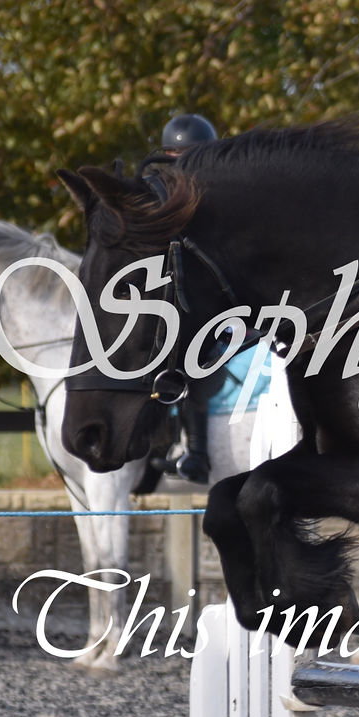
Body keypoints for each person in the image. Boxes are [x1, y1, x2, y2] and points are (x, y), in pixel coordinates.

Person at [149, 112, 219, 481]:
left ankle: (197, 454)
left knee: (194, 360)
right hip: (165, 296)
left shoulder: (216, 196)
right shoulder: (156, 196)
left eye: (186, 158)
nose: (177, 167)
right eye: (172, 157)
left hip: (212, 300)